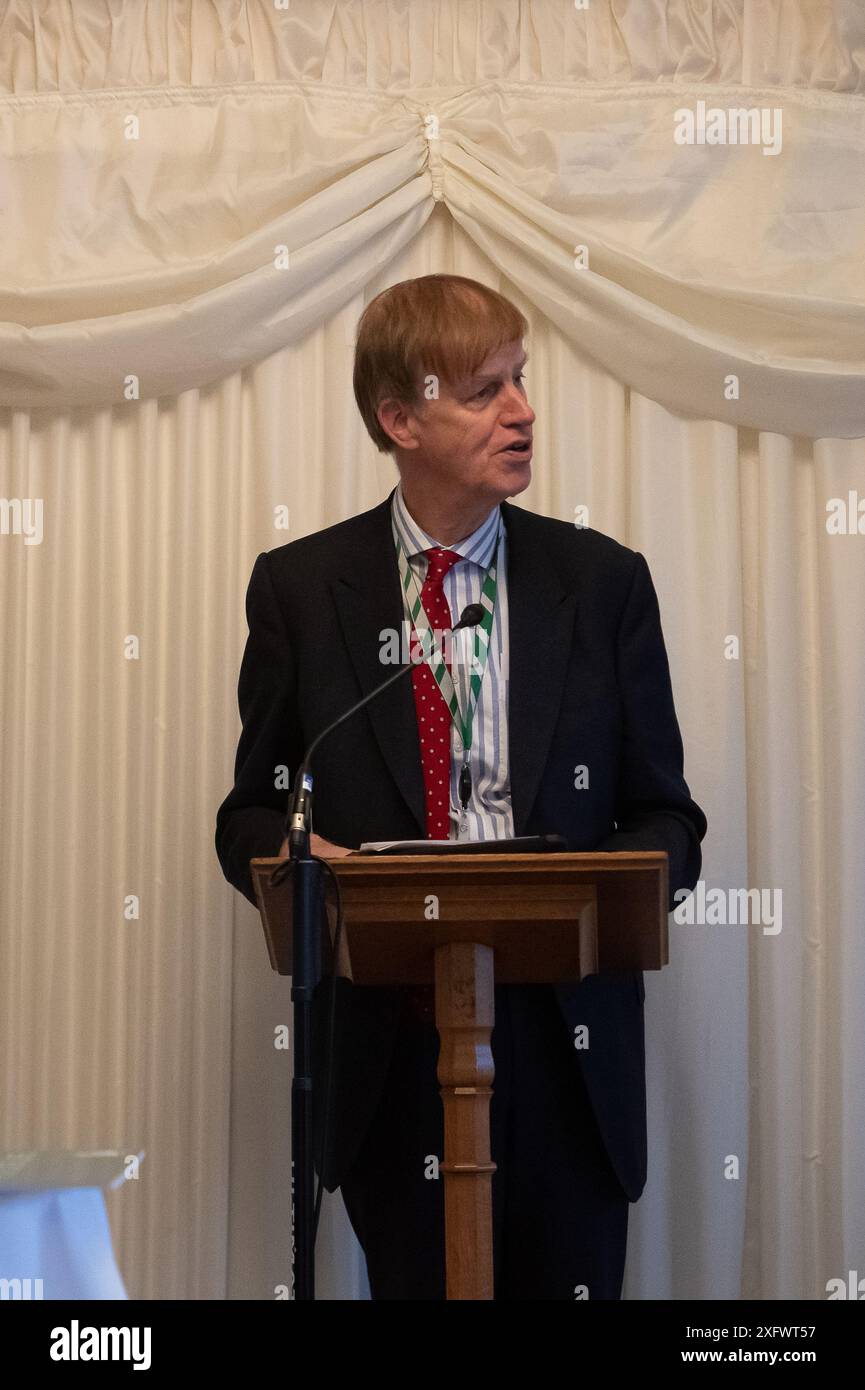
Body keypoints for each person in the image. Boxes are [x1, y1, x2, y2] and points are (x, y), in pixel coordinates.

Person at [215, 273, 707, 1299]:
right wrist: (308, 864)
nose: (523, 412)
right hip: (392, 1049)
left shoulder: (602, 583)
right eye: (486, 391)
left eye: (520, 382)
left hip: (565, 1045)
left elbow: (666, 816)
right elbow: (252, 811)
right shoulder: (304, 592)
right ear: (399, 418)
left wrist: (591, 891)